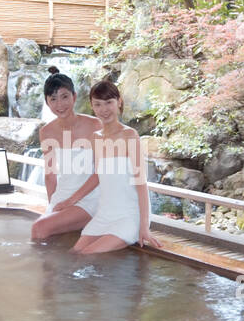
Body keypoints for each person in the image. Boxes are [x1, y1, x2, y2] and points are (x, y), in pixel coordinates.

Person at [52, 78, 163, 254]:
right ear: (92, 106)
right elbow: (97, 175)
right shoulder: (95, 137)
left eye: (109, 102)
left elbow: (141, 183)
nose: (104, 110)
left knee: (87, 255)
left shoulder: (129, 135)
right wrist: (69, 201)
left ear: (119, 102)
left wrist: (144, 227)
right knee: (74, 254)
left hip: (128, 215)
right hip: (105, 213)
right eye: (98, 104)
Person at [30, 67, 101, 242]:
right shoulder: (46, 132)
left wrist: (70, 202)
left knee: (38, 229)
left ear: (74, 97)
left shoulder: (94, 125)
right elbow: (50, 175)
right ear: (47, 103)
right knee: (42, 233)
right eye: (53, 99)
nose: (59, 104)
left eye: (64, 97)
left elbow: (101, 172)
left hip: (90, 196)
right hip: (62, 195)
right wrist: (53, 206)